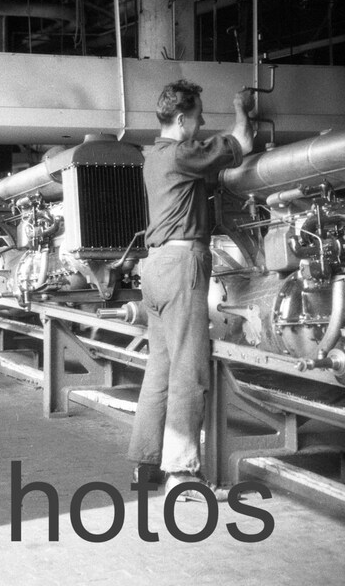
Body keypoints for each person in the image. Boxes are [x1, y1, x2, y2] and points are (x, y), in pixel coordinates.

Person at [127, 80, 254, 502]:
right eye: (198, 117)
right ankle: (182, 472)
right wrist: (241, 110)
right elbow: (243, 141)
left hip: (154, 267)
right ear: (181, 119)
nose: (201, 124)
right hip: (184, 264)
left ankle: (146, 466)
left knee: (159, 368)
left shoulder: (153, 157)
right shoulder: (184, 153)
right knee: (190, 369)